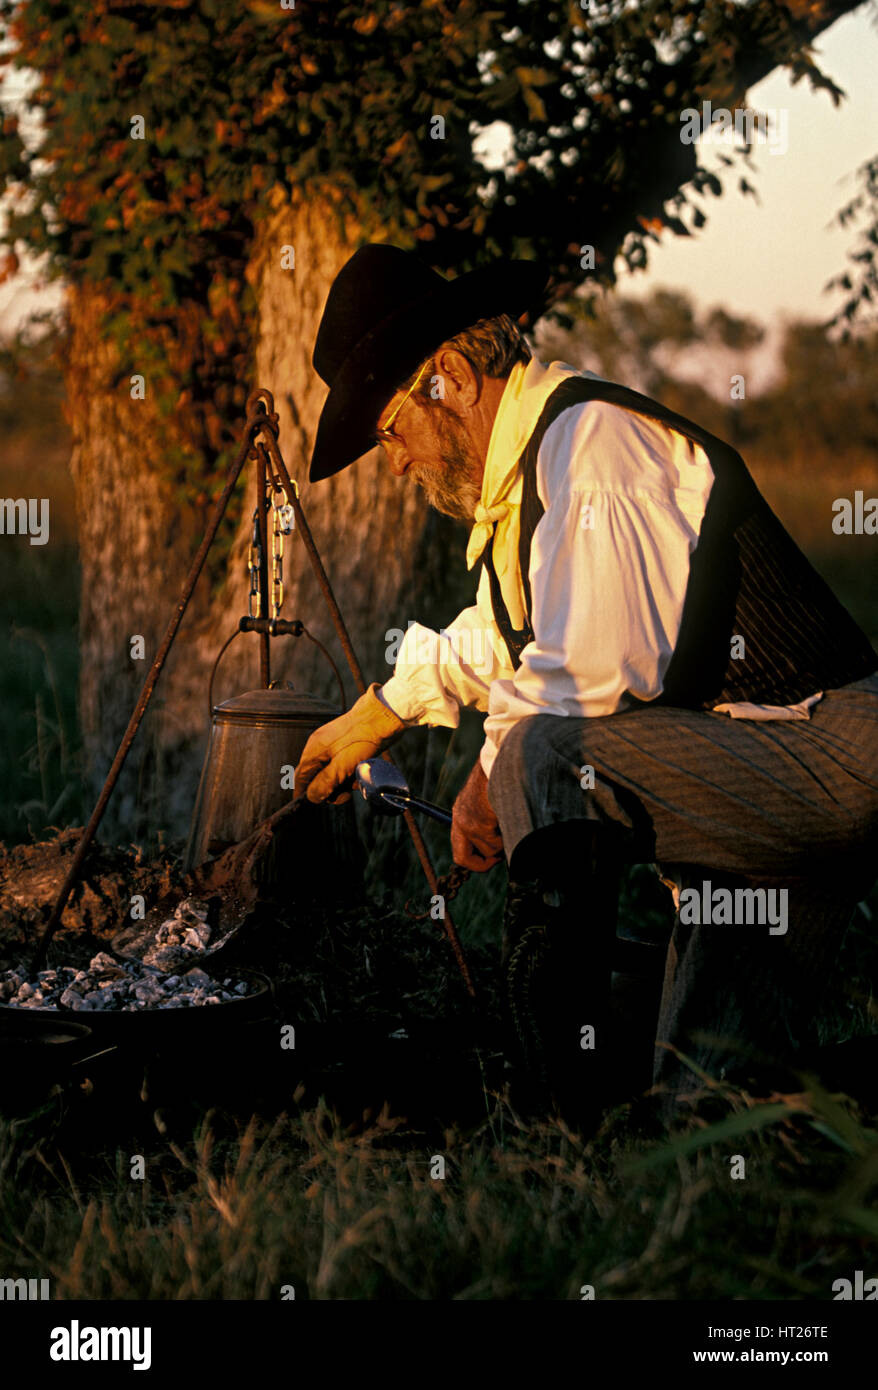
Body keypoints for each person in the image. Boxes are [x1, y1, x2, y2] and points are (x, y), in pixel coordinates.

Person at [294, 243, 878, 1118]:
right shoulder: (541, 469)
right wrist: (376, 715)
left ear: (447, 377)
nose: (397, 462)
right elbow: (507, 631)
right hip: (759, 785)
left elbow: (589, 672)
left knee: (542, 754)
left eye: (390, 432)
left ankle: (546, 1110)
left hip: (828, 754)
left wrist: (491, 781)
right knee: (707, 1101)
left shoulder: (591, 446)